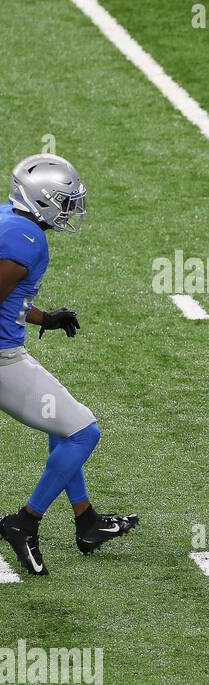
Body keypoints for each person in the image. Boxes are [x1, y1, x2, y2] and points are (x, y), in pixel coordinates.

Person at [0, 154, 137, 576]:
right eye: (65, 200)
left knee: (61, 423)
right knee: (83, 432)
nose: (72, 209)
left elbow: (9, 298)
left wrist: (44, 317)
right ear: (41, 198)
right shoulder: (27, 240)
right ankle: (25, 521)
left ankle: (86, 520)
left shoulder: (10, 217)